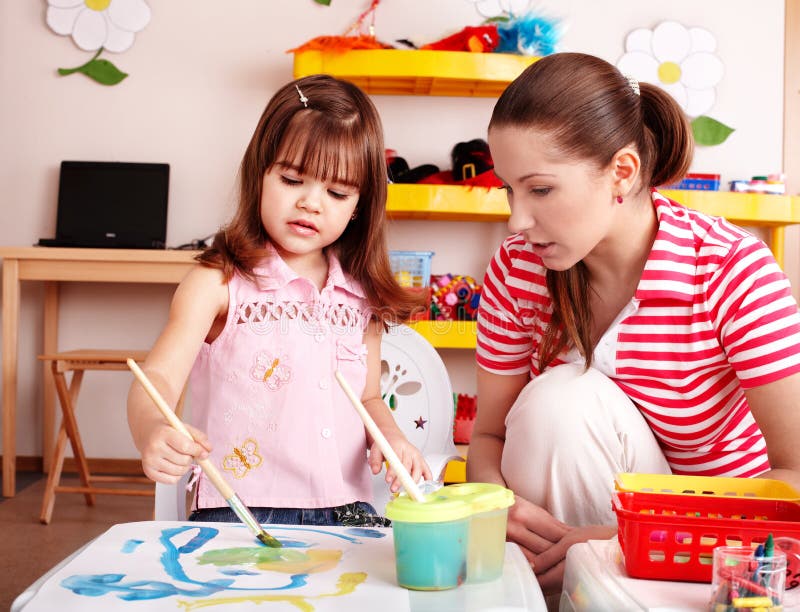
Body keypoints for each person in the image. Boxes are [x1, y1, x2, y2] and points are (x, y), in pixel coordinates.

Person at [467, 52, 800, 596]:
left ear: (621, 172)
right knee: (560, 402)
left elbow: (795, 478)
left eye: (540, 189)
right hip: (562, 551)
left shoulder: (730, 269)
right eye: (508, 189)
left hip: (708, 547)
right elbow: (488, 435)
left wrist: (615, 538)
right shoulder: (517, 266)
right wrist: (493, 505)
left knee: (565, 400)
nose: (518, 219)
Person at [128, 74, 431, 527]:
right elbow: (157, 379)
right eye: (293, 179)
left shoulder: (359, 294)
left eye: (337, 192)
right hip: (238, 509)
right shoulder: (216, 281)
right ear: (261, 174)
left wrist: (392, 440)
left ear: (359, 206)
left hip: (348, 510)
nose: (312, 203)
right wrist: (152, 429)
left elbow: (367, 397)